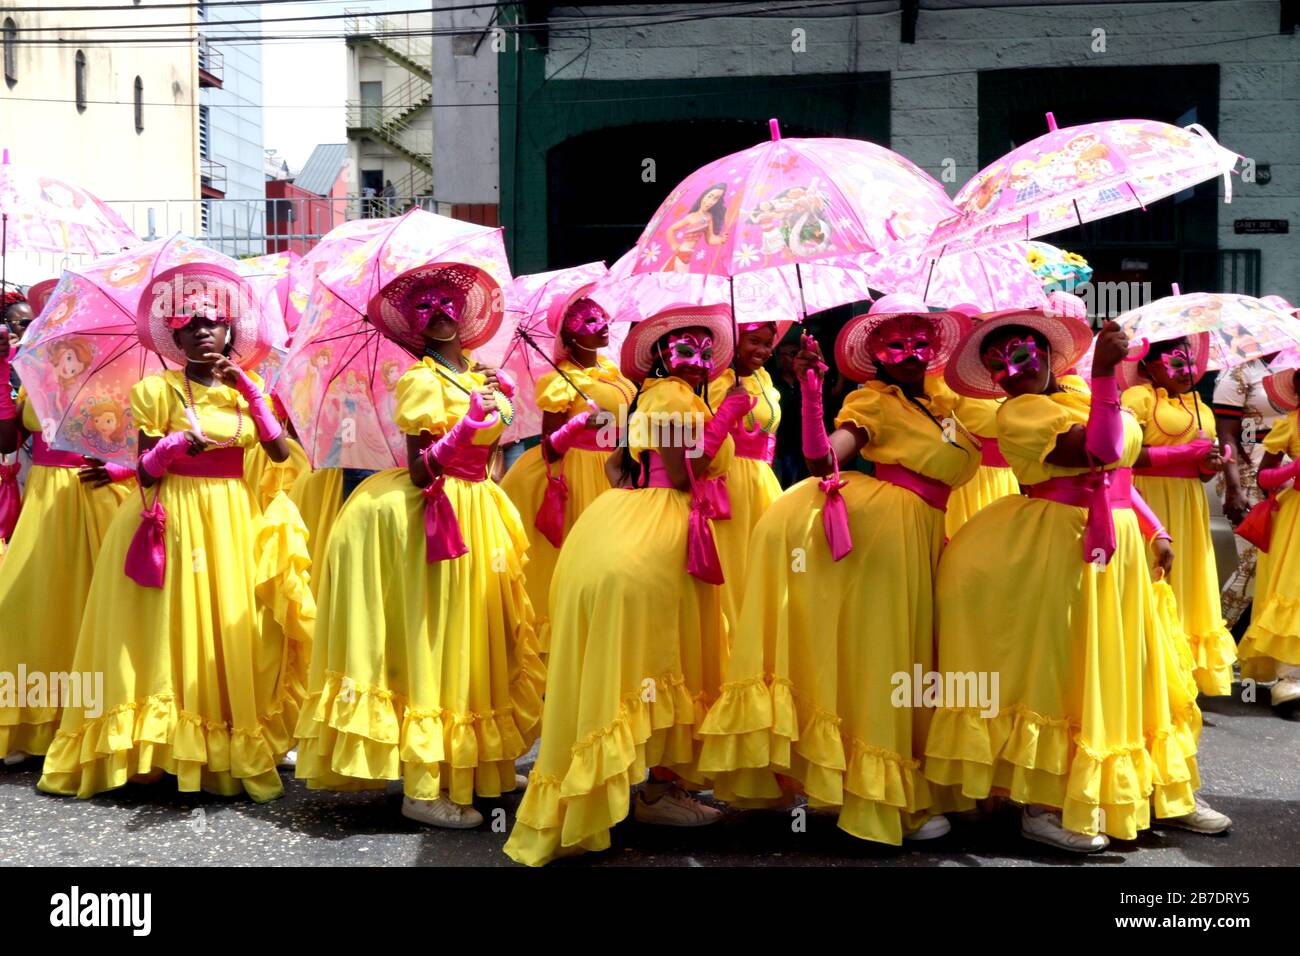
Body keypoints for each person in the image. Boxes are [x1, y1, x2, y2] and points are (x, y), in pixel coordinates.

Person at [926, 309, 1222, 853]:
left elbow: (1117, 473)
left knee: (1136, 666)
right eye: (998, 367)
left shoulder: (1076, 397)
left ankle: (1156, 791)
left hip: (1122, 543)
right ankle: (1044, 804)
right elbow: (1102, 449)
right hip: (1061, 546)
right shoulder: (1020, 413)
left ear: (1047, 355)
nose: (1011, 372)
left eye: (1020, 355)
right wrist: (1108, 374)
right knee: (1063, 670)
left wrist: (1156, 528)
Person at [696, 294, 980, 846]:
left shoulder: (942, 403)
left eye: (921, 340)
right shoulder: (872, 403)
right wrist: (808, 392)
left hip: (926, 531)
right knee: (888, 658)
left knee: (917, 659)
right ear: (874, 352)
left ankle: (907, 779)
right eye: (896, 342)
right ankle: (878, 798)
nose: (911, 352)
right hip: (887, 534)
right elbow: (823, 458)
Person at [37, 263, 313, 802]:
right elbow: (142, 469)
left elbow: (282, 455)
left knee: (233, 628)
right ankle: (158, 750)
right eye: (191, 326)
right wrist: (170, 448)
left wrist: (254, 398)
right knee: (165, 631)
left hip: (232, 518)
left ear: (231, 332)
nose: (203, 331)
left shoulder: (249, 389)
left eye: (213, 323)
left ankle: (221, 748)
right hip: (174, 515)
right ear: (176, 336)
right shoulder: (156, 390)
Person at [294, 262, 545, 828]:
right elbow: (418, 468)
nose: (438, 316)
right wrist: (465, 429)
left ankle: (480, 766)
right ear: (411, 324)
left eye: (447, 305)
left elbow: (496, 452)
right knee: (440, 639)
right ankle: (424, 784)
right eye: (424, 308)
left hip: (479, 508)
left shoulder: (482, 375)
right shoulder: (421, 381)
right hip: (437, 511)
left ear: (467, 314)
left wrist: (491, 429)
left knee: (482, 634)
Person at [504, 304, 746, 866]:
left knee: (657, 659)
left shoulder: (651, 396)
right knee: (653, 655)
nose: (698, 357)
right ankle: (645, 790)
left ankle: (652, 787)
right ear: (660, 355)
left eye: (704, 348)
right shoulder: (669, 398)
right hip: (658, 535)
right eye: (683, 348)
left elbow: (617, 467)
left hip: (635, 522)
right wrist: (726, 417)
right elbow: (687, 469)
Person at [0, 325, 134, 765]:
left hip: (95, 499)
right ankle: (34, 720)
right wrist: (2, 374)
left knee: (93, 609)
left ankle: (92, 720)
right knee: (26, 604)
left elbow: (142, 448)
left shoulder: (118, 384)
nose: (67, 353)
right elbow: (7, 442)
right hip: (43, 503)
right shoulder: (32, 385)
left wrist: (117, 472)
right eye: (58, 344)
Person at [498, 285, 636, 654]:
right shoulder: (560, 381)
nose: (602, 324)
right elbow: (549, 447)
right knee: (575, 556)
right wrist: (579, 426)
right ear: (569, 334)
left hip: (615, 470)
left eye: (602, 317)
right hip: (577, 473)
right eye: (589, 320)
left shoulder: (610, 371)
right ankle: (564, 640)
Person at [1121, 335, 1236, 696]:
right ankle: (1143, 670)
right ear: (1149, 366)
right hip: (1146, 496)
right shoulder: (1136, 398)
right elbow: (1126, 455)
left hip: (1189, 502)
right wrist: (1184, 452)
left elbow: (1200, 470)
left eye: (1189, 362)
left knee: (1188, 580)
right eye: (1174, 363)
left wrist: (1208, 464)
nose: (1186, 371)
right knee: (1150, 577)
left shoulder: (1201, 406)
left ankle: (1182, 676)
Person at [707, 319, 787, 634]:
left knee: (763, 571)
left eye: (768, 343)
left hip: (764, 483)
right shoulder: (717, 381)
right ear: (734, 339)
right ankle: (730, 650)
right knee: (733, 569)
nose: (763, 350)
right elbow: (705, 436)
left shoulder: (765, 378)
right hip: (727, 484)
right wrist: (728, 406)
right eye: (754, 341)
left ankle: (760, 644)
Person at [1236, 367, 1300, 711]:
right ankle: (1291, 677)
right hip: (1295, 520)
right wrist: (1293, 470)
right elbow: (1264, 478)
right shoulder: (1289, 424)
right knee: (1293, 590)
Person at [1213, 354, 1284, 634]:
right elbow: (1226, 435)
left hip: (1281, 477)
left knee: (1274, 565)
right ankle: (1215, 637)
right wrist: (1234, 489)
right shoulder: (1237, 372)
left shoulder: (1285, 368)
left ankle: (1263, 652)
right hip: (1245, 477)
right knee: (1250, 563)